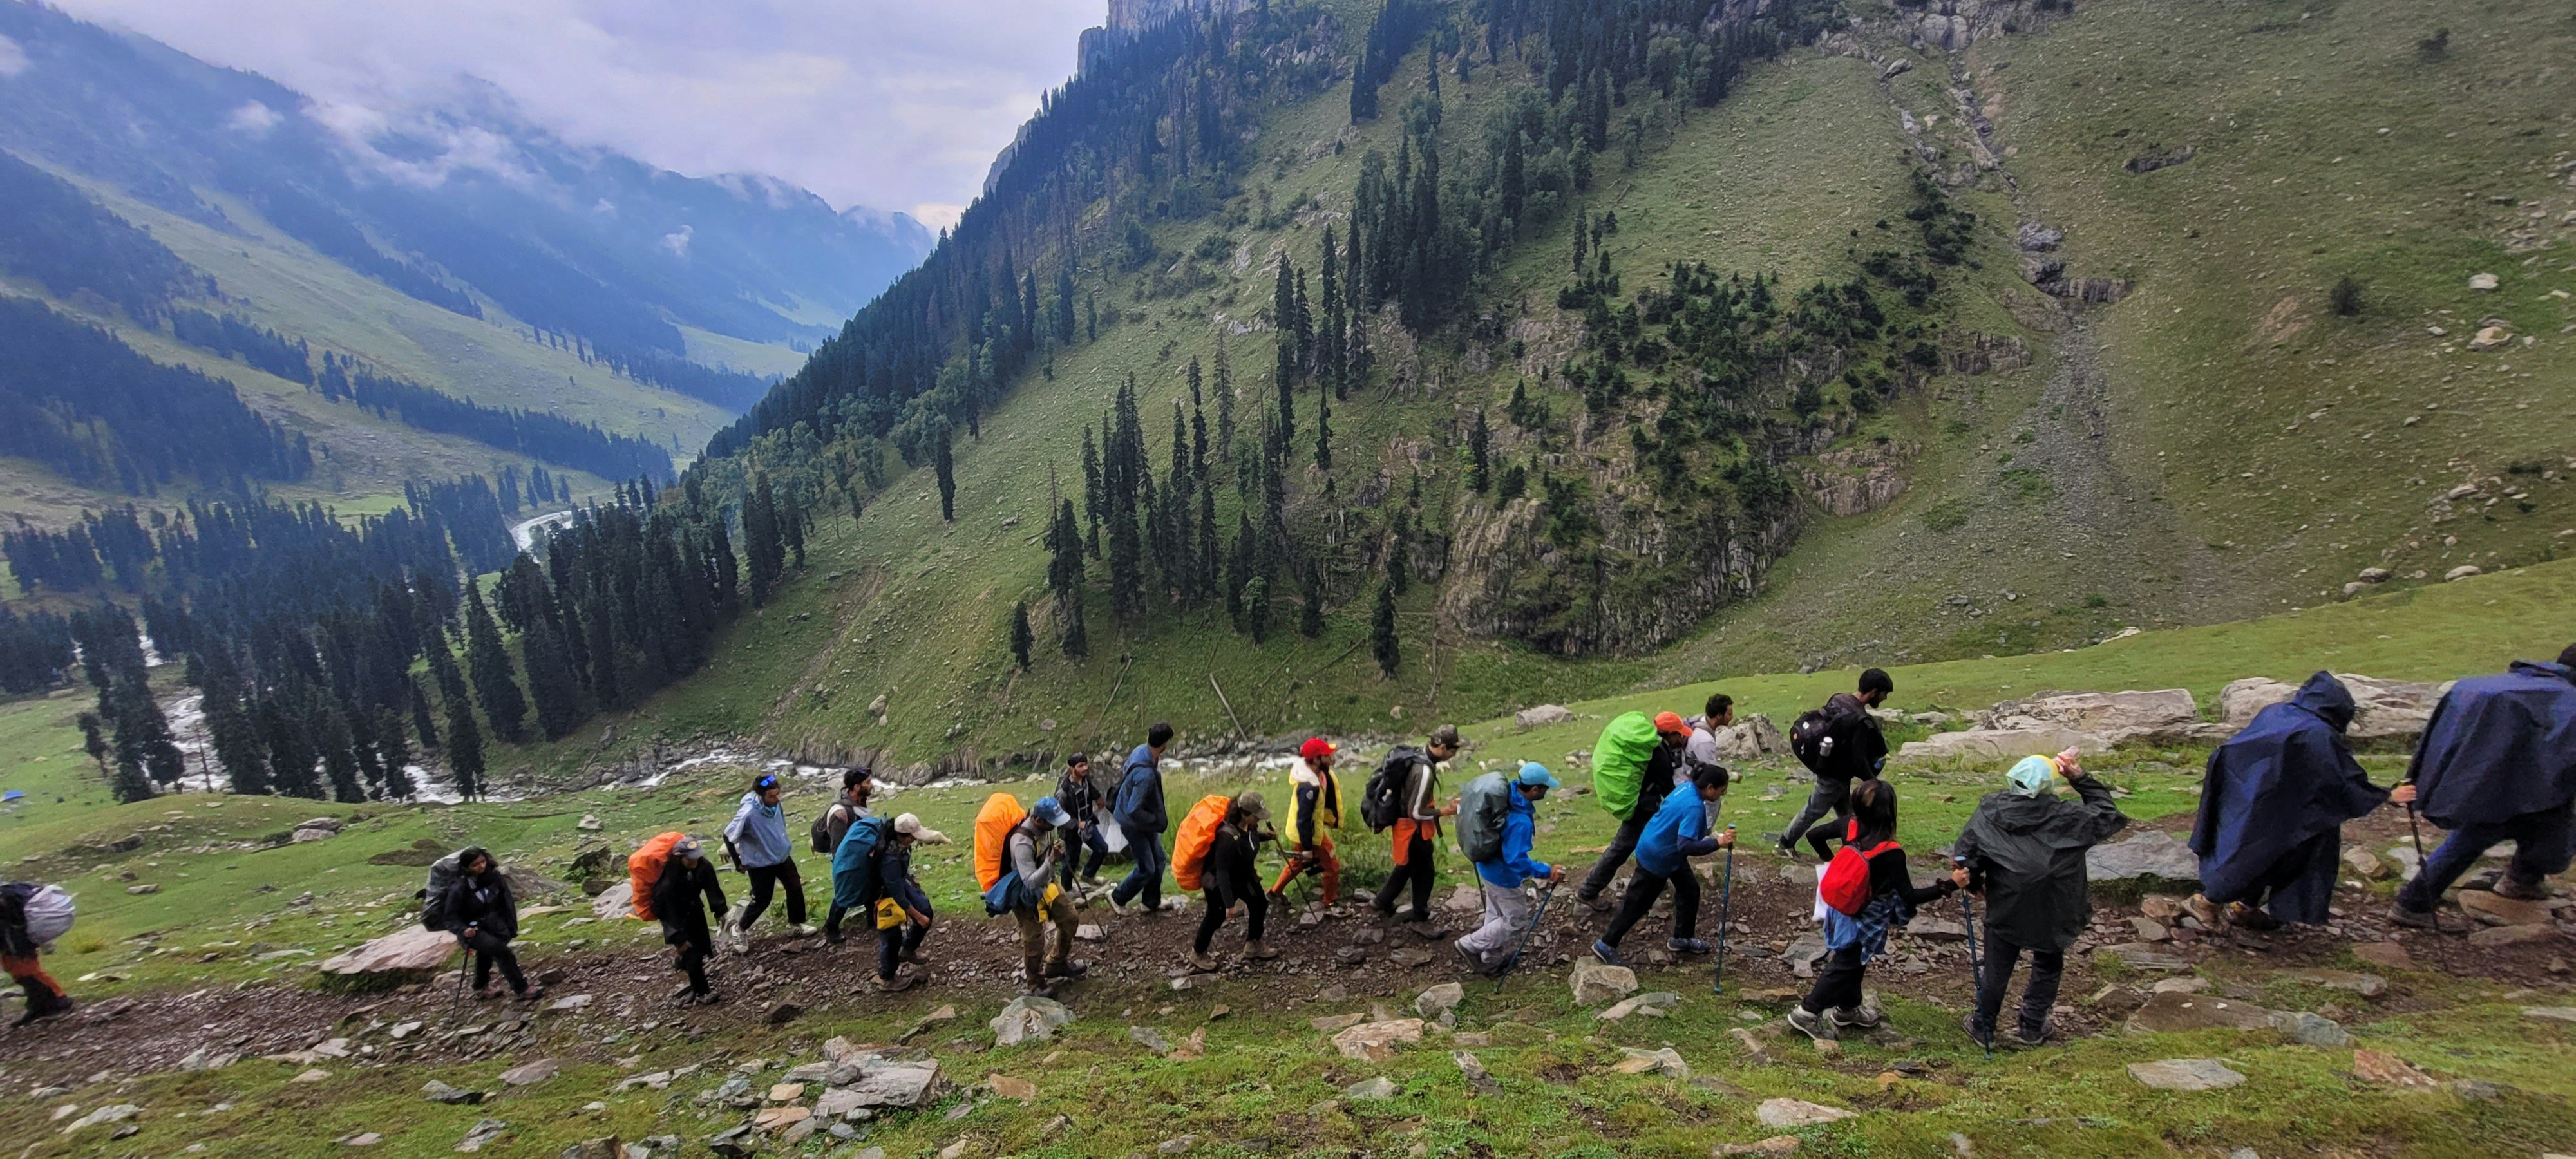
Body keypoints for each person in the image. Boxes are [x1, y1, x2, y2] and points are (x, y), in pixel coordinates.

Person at [2186, 672, 2392, 930]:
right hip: (2286, 806)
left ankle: (2243, 907)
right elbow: (2340, 778)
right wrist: (2386, 794)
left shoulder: (2276, 712)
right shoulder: (2317, 733)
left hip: (2247, 792)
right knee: (2274, 853)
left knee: (2245, 848)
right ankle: (2207, 903)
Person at [2389, 647, 2576, 927]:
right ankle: (2413, 904)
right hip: (2529, 786)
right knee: (2538, 832)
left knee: (2474, 837)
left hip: (2484, 778)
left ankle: (2523, 880)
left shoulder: (2511, 683)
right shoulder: (2567, 701)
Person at [1953, 749, 2128, 1049]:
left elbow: (1965, 854)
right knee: (2048, 962)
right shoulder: (2069, 816)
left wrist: (1975, 883)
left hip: (2007, 901)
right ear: (2050, 786)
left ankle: (1984, 1025)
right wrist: (2080, 778)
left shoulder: (1989, 812)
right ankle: (2032, 1026)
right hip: (2057, 903)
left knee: (1997, 966)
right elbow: (2109, 816)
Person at [1788, 778, 1965, 1042]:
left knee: (1855, 959)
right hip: (1867, 914)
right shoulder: (1890, 852)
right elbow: (1910, 897)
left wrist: (1837, 863)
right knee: (1846, 964)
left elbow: (1813, 836)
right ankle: (1807, 1012)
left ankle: (1847, 1010)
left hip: (1840, 906)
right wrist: (1950, 885)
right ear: (1890, 812)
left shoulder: (1848, 825)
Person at [1594, 763, 1733, 964]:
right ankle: (1606, 944)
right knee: (1637, 903)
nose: (1722, 795)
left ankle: (1682, 938)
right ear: (1710, 787)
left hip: (1665, 850)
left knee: (1690, 890)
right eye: (1722, 791)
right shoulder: (1694, 806)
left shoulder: (1686, 788)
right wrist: (1718, 843)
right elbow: (1685, 845)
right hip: (1657, 857)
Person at [1577, 711, 1694, 911]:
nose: (1680, 739)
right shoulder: (1660, 755)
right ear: (1670, 734)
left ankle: (1660, 882)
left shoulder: (1649, 746)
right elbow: (1668, 790)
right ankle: (1588, 891)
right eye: (1678, 734)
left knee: (1652, 844)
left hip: (1641, 804)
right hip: (1644, 809)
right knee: (1624, 848)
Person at [1455, 764, 1564, 975]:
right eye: (1544, 788)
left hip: (1487, 866)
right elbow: (1516, 861)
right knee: (1516, 919)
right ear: (1535, 790)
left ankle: (1491, 958)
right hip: (1503, 876)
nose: (1545, 792)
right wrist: (1546, 871)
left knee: (1496, 913)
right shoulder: (1520, 821)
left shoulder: (1508, 797)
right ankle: (1469, 945)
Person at [1778, 669, 1894, 861]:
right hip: (1833, 774)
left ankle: (1855, 850)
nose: (1884, 698)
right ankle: (1785, 843)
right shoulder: (1860, 721)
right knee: (1814, 809)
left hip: (1831, 765)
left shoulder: (1840, 698)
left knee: (1847, 813)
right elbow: (1858, 760)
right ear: (1873, 692)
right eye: (1884, 694)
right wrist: (1874, 783)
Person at [1374, 724, 1463, 923]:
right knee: (1425, 872)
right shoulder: (1424, 771)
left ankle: (1381, 902)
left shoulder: (1417, 755)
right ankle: (1420, 915)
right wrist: (1443, 811)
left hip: (1404, 825)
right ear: (1442, 748)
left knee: (1406, 866)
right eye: (1452, 750)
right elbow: (1415, 812)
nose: (1453, 755)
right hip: (1413, 830)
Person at [1005, 797, 1090, 995]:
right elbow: (1030, 881)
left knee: (1070, 919)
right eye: (1052, 822)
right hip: (1025, 894)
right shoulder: (1022, 843)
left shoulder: (1045, 829)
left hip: (1048, 883)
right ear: (1037, 821)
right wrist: (1051, 861)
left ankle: (1056, 963)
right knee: (1034, 939)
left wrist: (1052, 859)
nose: (1055, 826)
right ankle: (1035, 984)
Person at [1189, 793, 1281, 970]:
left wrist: (1268, 836)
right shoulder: (1227, 838)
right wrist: (1229, 904)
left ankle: (1253, 945)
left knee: (1260, 903)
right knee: (1216, 916)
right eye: (1257, 816)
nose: (1260, 820)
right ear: (1245, 814)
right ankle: (1198, 953)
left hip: (1242, 875)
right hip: (1218, 881)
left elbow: (1251, 837)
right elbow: (1222, 872)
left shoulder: (1250, 826)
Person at [438, 847, 542, 1002]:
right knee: (503, 953)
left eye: (483, 862)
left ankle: (480, 987)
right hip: (473, 930)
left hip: (496, 926)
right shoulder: (459, 888)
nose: (481, 866)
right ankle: (522, 989)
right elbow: (450, 917)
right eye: (475, 865)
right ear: (466, 867)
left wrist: (511, 925)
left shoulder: (495, 877)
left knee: (486, 953)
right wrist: (463, 930)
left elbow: (507, 902)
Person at [722, 773, 813, 943]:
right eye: (772, 796)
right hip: (760, 863)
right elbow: (728, 835)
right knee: (762, 899)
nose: (777, 799)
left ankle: (795, 924)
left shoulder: (776, 805)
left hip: (782, 856)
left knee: (795, 888)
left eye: (778, 794)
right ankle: (739, 929)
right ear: (761, 796)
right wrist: (738, 863)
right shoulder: (748, 813)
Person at [871, 814, 945, 992]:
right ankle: (887, 977)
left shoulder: (900, 845)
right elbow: (897, 895)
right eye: (913, 836)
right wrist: (917, 917)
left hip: (899, 882)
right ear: (904, 836)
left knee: (926, 910)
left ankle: (908, 950)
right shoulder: (890, 859)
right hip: (884, 894)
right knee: (891, 936)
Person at [652, 836, 729, 1005]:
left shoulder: (702, 865)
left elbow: (712, 887)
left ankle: (683, 962)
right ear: (681, 858)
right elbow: (665, 912)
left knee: (701, 946)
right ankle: (702, 992)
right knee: (691, 952)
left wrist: (720, 911)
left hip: (694, 910)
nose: (696, 860)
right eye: (691, 858)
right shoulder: (668, 884)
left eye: (697, 856)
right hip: (677, 918)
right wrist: (678, 939)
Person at [1110, 722, 1175, 915]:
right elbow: (1133, 810)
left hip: (1140, 822)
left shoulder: (1141, 750)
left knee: (1160, 860)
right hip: (1134, 824)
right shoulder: (1146, 774)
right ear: (1165, 744)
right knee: (1147, 868)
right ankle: (1117, 897)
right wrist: (1154, 820)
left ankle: (1150, 902)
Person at [1270, 737, 1344, 907]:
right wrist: (1309, 848)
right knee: (1332, 866)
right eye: (1327, 756)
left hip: (1308, 831)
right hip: (1307, 833)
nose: (1331, 759)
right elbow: (1303, 820)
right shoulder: (1308, 787)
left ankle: (1274, 893)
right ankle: (1330, 901)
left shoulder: (1319, 774)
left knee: (1298, 863)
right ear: (1316, 760)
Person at [0, 881, 73, 1027]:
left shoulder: (5, 897)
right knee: (15, 968)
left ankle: (60, 1001)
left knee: (27, 969)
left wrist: (16, 947)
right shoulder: (8, 892)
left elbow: (10, 921)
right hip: (14, 934)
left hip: (17, 936)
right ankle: (39, 1006)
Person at [1053, 753, 1110, 890]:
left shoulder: (1084, 780)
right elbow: (1059, 817)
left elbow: (1090, 788)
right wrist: (1076, 824)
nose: (1085, 768)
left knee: (1102, 848)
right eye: (1081, 766)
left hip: (1088, 823)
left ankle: (1088, 875)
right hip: (1071, 831)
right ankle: (1066, 890)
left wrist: (1097, 798)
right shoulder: (1063, 792)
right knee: (1071, 861)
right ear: (1071, 769)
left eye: (1086, 764)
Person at [819, 768, 875, 852]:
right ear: (857, 787)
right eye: (868, 782)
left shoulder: (860, 802)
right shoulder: (840, 814)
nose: (871, 785)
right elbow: (838, 849)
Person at [1686, 693, 1736, 778]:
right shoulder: (1705, 740)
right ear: (1719, 716)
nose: (1732, 717)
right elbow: (1709, 771)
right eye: (1729, 714)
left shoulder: (1701, 720)